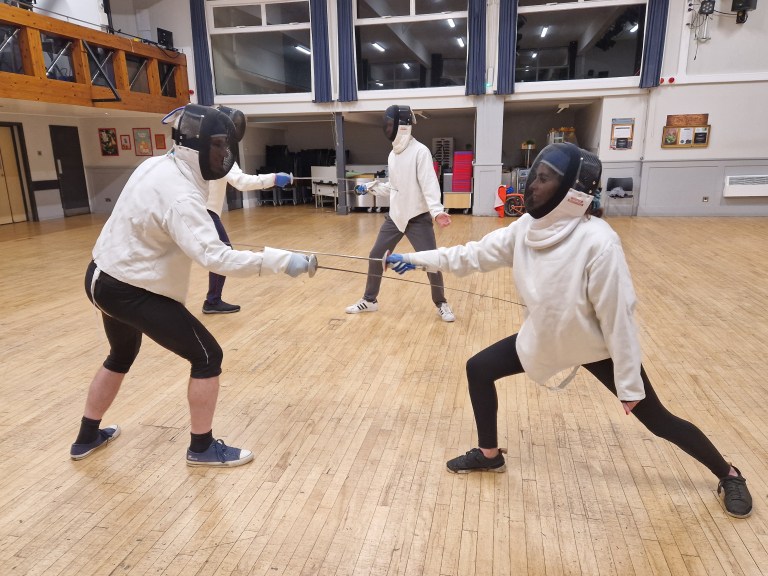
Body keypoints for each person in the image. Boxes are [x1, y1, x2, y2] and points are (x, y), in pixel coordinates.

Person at [386, 143, 753, 518]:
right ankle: (489, 455)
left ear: (573, 192)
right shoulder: (525, 229)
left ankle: (729, 473)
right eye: (535, 176)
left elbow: (618, 318)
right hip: (545, 339)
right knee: (478, 368)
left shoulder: (599, 241)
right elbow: (471, 254)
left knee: (658, 420)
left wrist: (628, 385)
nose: (531, 185)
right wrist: (414, 259)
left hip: (597, 348)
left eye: (544, 179)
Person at [70, 104, 314, 468]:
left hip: (100, 275)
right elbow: (217, 258)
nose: (225, 155)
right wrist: (282, 260)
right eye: (219, 146)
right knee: (206, 356)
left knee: (121, 355)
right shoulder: (181, 196)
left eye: (226, 146)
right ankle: (201, 447)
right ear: (198, 145)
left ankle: (86, 436)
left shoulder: (156, 164)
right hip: (129, 287)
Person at [345, 104, 455, 322]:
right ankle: (370, 300)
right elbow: (394, 188)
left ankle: (441, 303)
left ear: (401, 126)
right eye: (385, 124)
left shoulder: (420, 152)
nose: (387, 128)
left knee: (431, 261)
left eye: (390, 124)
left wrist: (437, 211)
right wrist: (370, 187)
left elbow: (429, 184)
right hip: (395, 217)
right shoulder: (392, 155)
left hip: (418, 217)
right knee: (376, 256)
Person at [202, 105, 292, 314]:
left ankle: (212, 300)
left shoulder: (201, 144)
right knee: (222, 254)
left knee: (216, 253)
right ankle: (212, 301)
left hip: (201, 209)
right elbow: (240, 182)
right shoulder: (219, 151)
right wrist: (273, 178)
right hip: (203, 211)